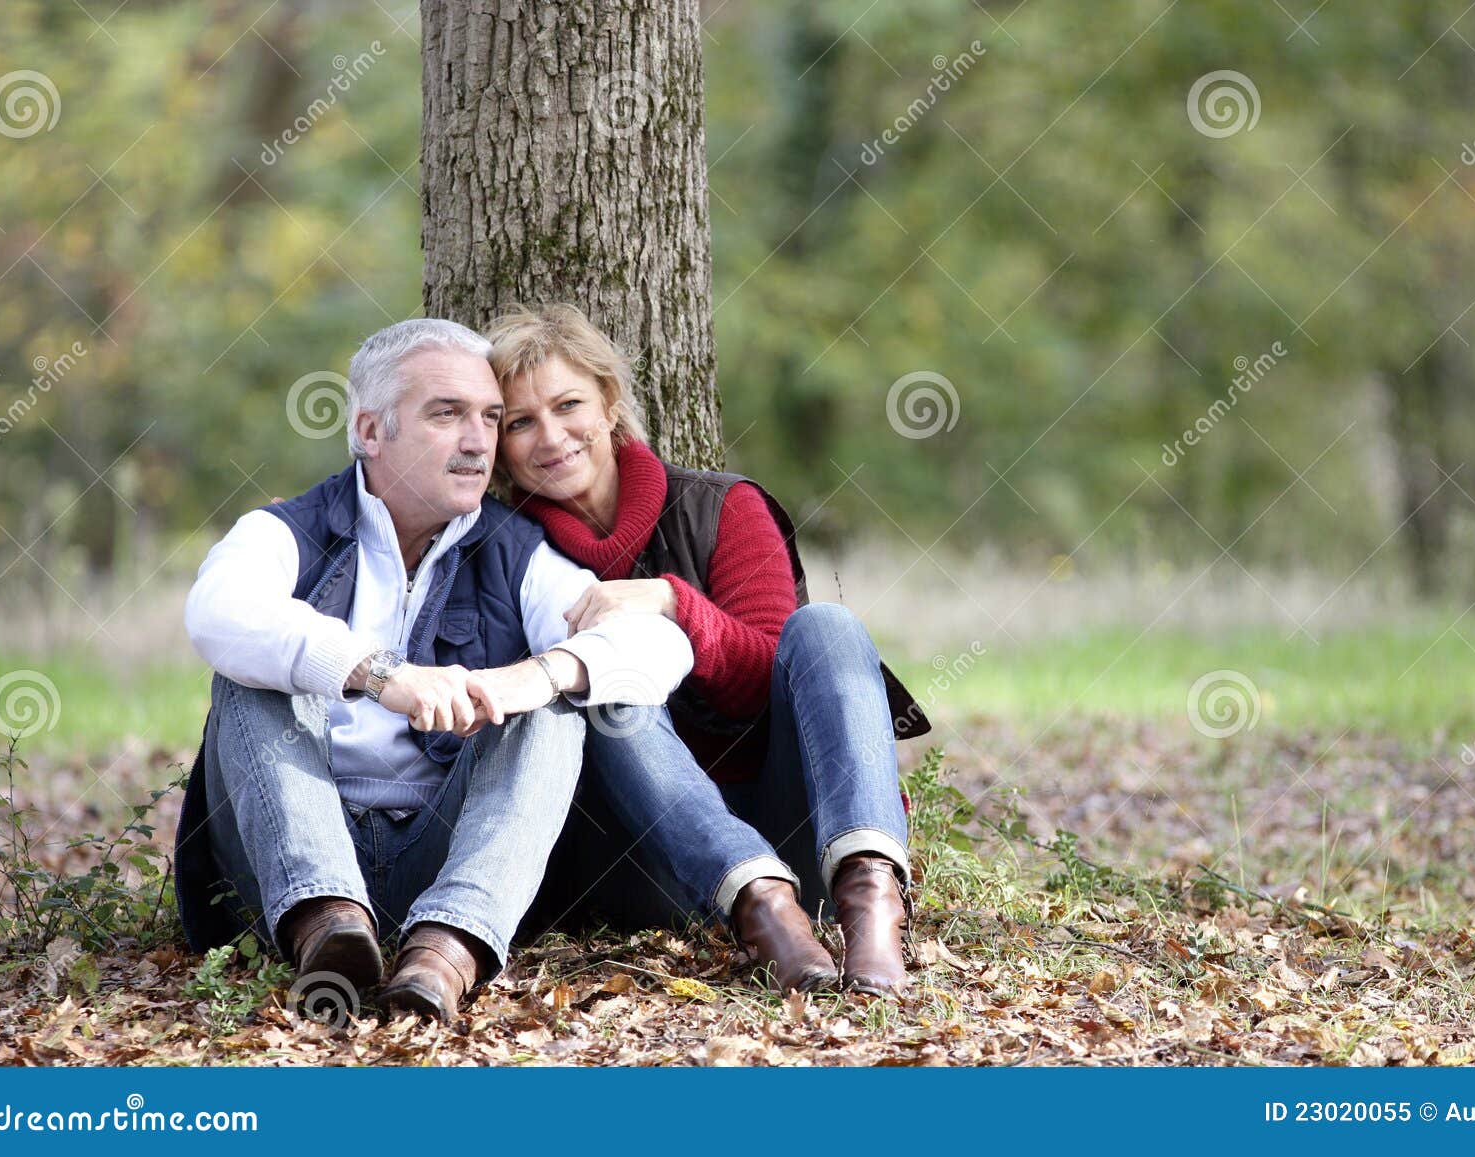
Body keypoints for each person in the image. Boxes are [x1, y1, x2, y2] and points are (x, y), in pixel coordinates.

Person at [174, 318, 693, 1024]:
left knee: (555, 701)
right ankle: (328, 924)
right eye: (447, 414)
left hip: (444, 858)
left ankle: (446, 952)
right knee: (250, 675)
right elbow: (218, 611)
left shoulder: (515, 549)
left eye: (490, 418)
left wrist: (536, 676)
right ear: (370, 430)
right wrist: (380, 673)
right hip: (283, 862)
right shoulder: (286, 530)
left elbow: (661, 647)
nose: (478, 441)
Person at [486, 304, 930, 996]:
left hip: (796, 835)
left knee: (828, 628)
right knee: (605, 692)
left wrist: (671, 600)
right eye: (520, 422)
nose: (551, 436)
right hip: (648, 859)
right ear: (499, 445)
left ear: (609, 403)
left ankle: (872, 902)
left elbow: (761, 683)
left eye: (568, 405)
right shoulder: (506, 551)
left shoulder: (722, 508)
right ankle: (761, 906)